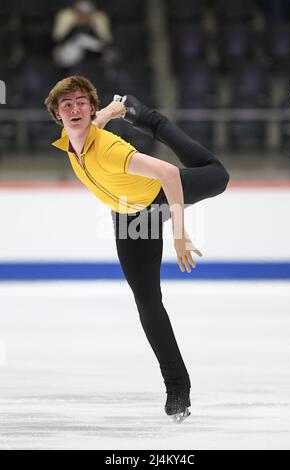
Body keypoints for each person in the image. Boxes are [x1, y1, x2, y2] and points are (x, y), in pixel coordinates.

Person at [45, 76, 230, 422]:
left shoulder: (111, 150)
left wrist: (179, 233)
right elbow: (89, 126)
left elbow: (168, 174)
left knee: (218, 177)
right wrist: (113, 110)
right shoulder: (71, 139)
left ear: (90, 107)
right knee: (147, 300)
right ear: (58, 115)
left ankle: (153, 121)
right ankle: (177, 386)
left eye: (81, 103)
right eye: (67, 105)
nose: (75, 110)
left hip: (157, 197)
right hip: (128, 216)